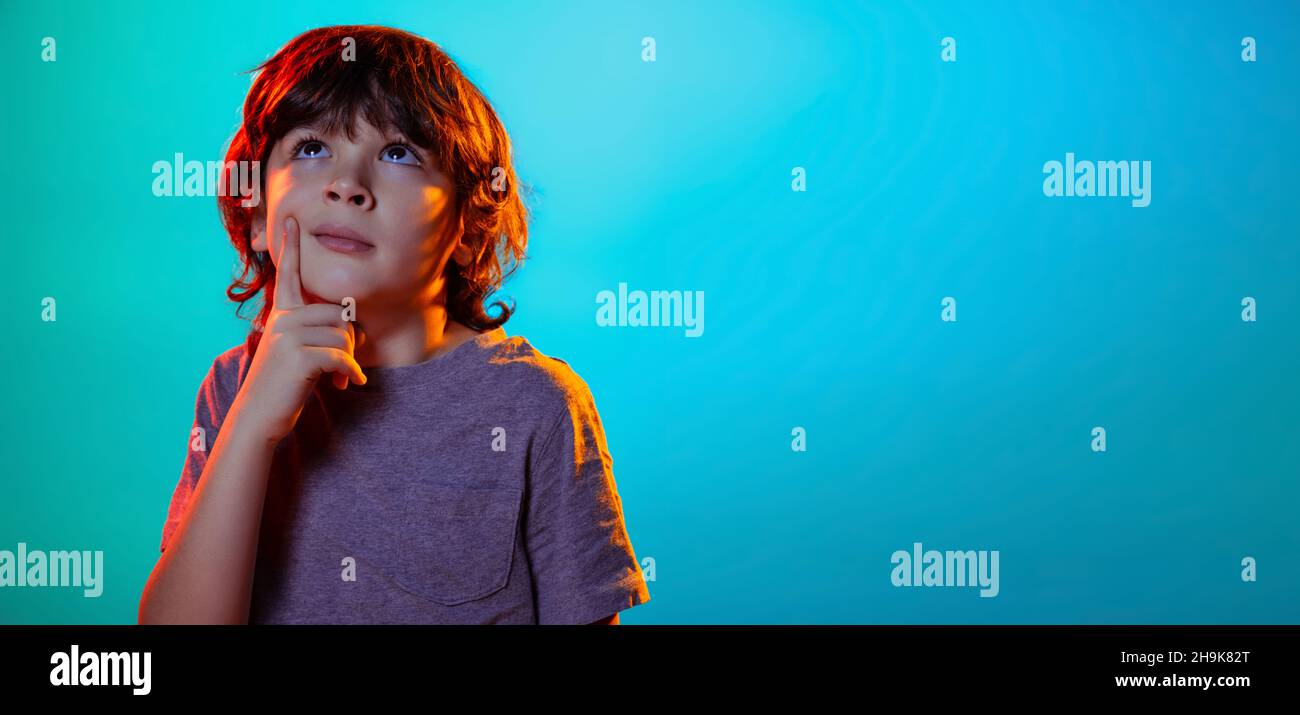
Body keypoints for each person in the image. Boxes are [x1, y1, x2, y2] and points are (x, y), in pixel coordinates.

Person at [137, 25, 650, 625]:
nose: (348, 186)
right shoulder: (233, 386)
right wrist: (252, 426)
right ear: (255, 214)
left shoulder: (535, 405)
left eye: (399, 153)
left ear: (467, 228)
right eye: (310, 148)